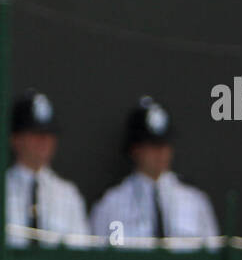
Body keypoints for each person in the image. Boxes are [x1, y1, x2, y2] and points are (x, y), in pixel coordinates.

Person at [90, 96, 219, 242]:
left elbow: (212, 251)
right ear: (135, 149)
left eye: (164, 144)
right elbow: (97, 253)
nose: (160, 153)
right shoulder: (111, 205)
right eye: (152, 145)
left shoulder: (195, 202)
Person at [4, 88, 90, 247]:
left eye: (49, 134)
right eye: (35, 134)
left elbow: (80, 254)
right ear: (15, 138)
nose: (43, 141)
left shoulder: (68, 195)